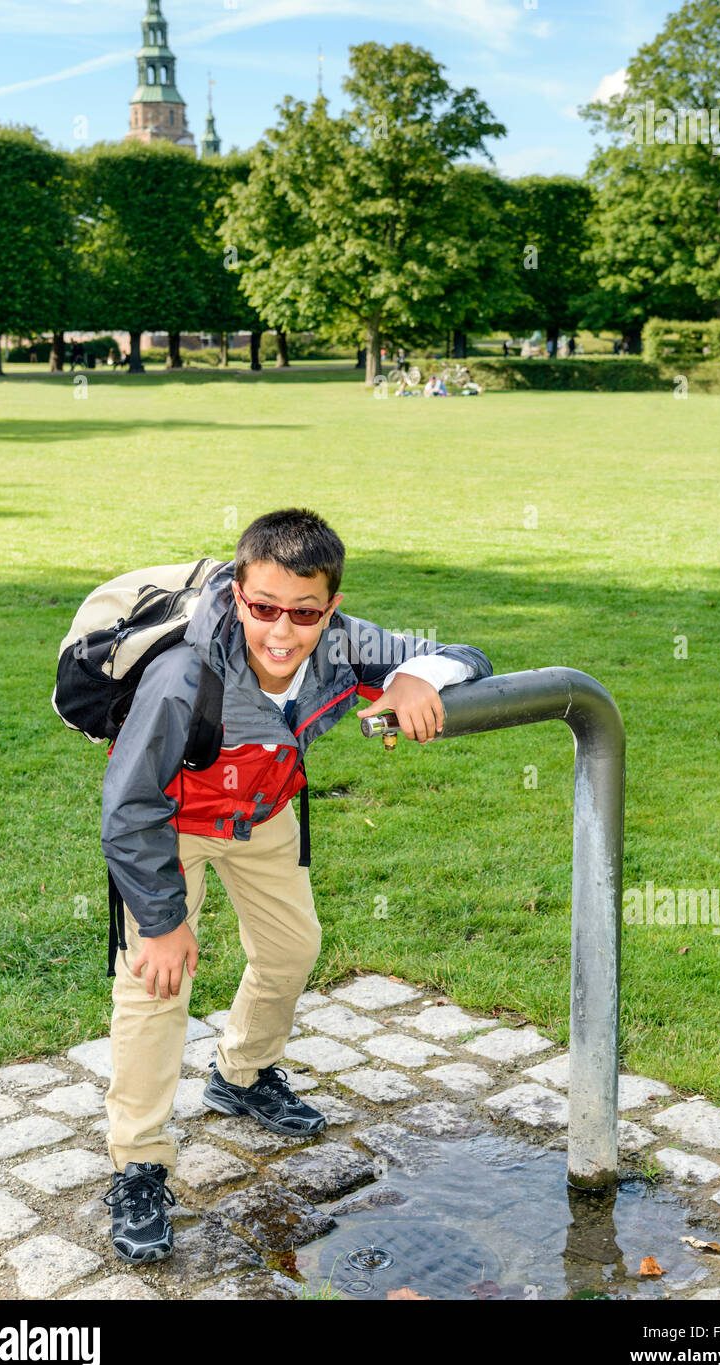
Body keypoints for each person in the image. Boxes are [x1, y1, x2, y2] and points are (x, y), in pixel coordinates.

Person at [98, 508, 493, 1263]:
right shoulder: (186, 675)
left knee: (292, 949)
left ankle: (240, 1073)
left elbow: (465, 654)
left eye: (304, 613)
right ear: (238, 594)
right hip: (171, 824)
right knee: (155, 982)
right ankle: (139, 1163)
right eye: (264, 607)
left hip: (265, 813)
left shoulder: (345, 641)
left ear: (331, 608)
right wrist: (160, 918)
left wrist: (414, 675)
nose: (282, 631)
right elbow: (128, 807)